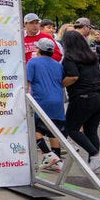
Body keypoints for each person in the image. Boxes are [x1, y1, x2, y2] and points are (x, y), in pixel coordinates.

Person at [60, 29, 100, 171]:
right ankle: (93, 162)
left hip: (82, 97)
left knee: (71, 128)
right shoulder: (92, 56)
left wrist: (60, 84)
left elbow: (73, 76)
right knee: (91, 130)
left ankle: (95, 154)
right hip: (99, 96)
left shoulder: (70, 58)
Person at [26, 37, 66, 172]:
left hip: (41, 100)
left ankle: (49, 155)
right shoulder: (58, 65)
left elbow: (27, 81)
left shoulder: (33, 62)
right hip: (58, 101)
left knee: (34, 130)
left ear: (39, 50)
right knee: (53, 131)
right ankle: (57, 162)